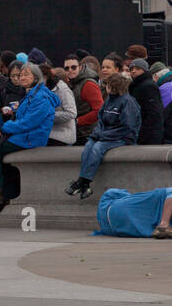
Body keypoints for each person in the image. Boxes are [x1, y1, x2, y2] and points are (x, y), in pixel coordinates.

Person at [66, 71, 140, 199]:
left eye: (108, 85)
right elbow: (101, 120)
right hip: (105, 135)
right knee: (88, 147)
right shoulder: (109, 100)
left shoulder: (128, 102)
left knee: (98, 148)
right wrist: (99, 134)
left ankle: (83, 181)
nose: (106, 87)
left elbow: (127, 127)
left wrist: (104, 135)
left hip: (122, 137)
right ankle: (84, 184)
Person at [0, 63, 60, 202]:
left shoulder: (41, 97)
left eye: (26, 74)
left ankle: (5, 192)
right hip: (26, 134)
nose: (22, 77)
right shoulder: (31, 94)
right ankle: (5, 191)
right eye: (21, 75)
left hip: (33, 137)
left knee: (0, 149)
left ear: (36, 78)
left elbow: (29, 122)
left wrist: (6, 127)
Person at [64, 54, 103, 144]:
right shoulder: (72, 83)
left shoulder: (88, 84)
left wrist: (77, 121)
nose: (70, 70)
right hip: (78, 133)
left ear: (80, 67)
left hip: (88, 135)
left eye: (73, 67)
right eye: (67, 68)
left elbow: (99, 110)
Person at [127, 57, 164, 145]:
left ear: (144, 70)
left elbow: (153, 114)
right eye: (131, 69)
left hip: (148, 135)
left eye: (138, 68)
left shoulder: (148, 86)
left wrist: (143, 133)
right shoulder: (136, 86)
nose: (133, 71)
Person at [43, 65, 77, 145]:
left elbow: (71, 113)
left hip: (62, 136)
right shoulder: (42, 89)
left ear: (46, 77)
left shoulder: (62, 90)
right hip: (47, 133)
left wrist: (49, 115)